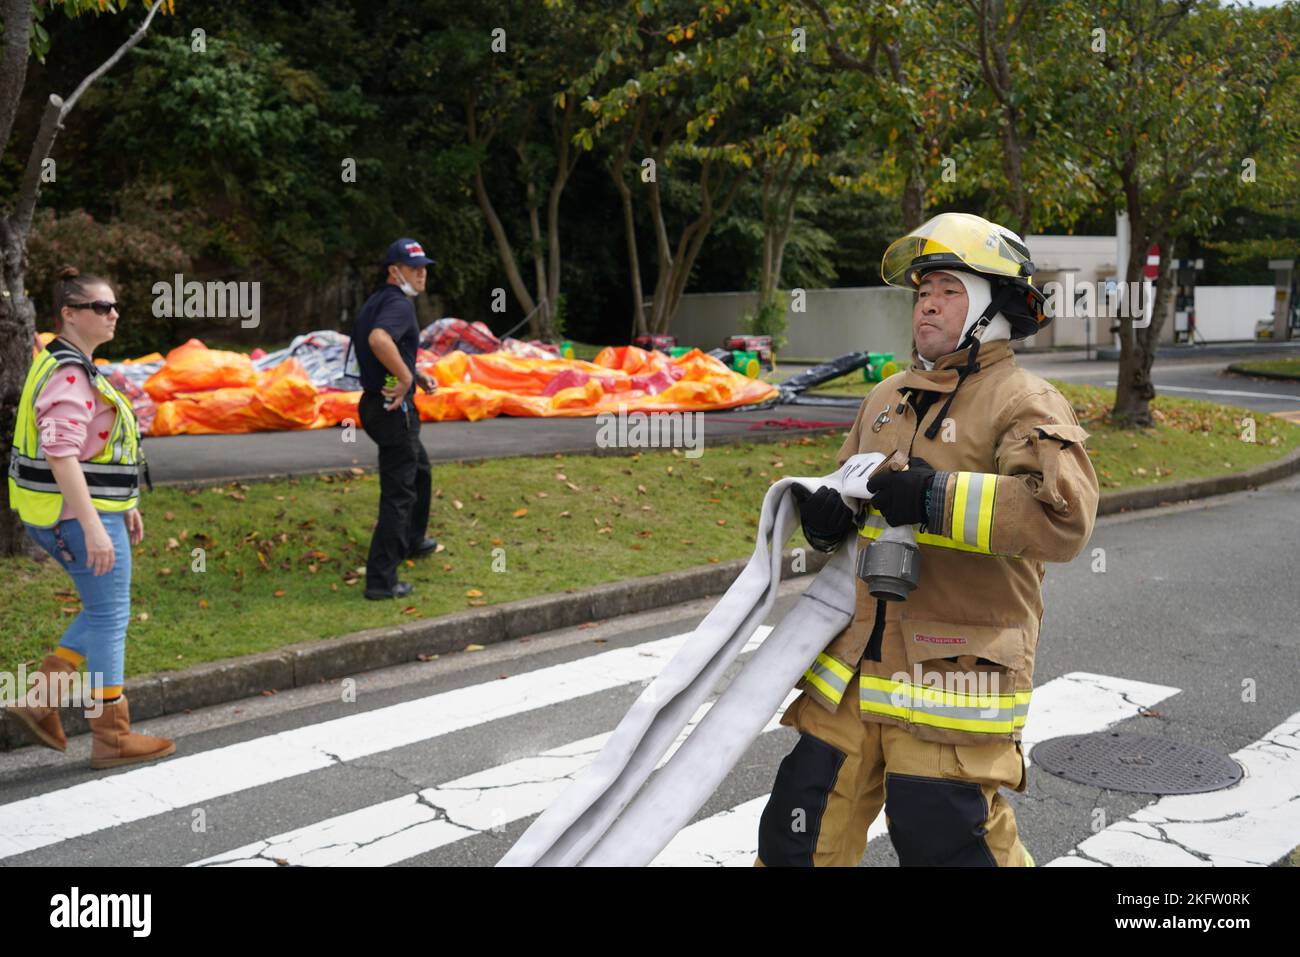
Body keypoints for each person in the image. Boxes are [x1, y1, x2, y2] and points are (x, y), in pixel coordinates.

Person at [760, 212, 1100, 866]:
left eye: (946, 290)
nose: (927, 305)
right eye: (921, 293)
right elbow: (845, 489)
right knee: (794, 835)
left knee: (944, 841)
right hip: (853, 671)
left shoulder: (1025, 400)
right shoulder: (884, 397)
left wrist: (934, 496)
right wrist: (825, 517)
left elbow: (1063, 519)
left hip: (953, 677)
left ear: (992, 305)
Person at [5, 265, 174, 768]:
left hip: (80, 512)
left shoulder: (64, 361)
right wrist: (97, 527)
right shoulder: (69, 374)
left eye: (114, 305)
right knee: (109, 616)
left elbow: (97, 449)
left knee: (105, 609)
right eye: (101, 307)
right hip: (75, 516)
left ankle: (39, 700)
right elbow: (62, 457)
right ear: (70, 314)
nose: (113, 314)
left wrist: (126, 507)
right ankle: (111, 736)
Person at [346, 237, 440, 600]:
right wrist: (403, 380)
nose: (421, 275)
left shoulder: (378, 301)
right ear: (393, 270)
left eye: (424, 268)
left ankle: (412, 540)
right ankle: (381, 581)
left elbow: (389, 350)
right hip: (392, 410)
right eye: (413, 268)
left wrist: (413, 375)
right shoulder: (397, 306)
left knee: (420, 470)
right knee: (399, 493)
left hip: (376, 403)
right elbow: (379, 340)